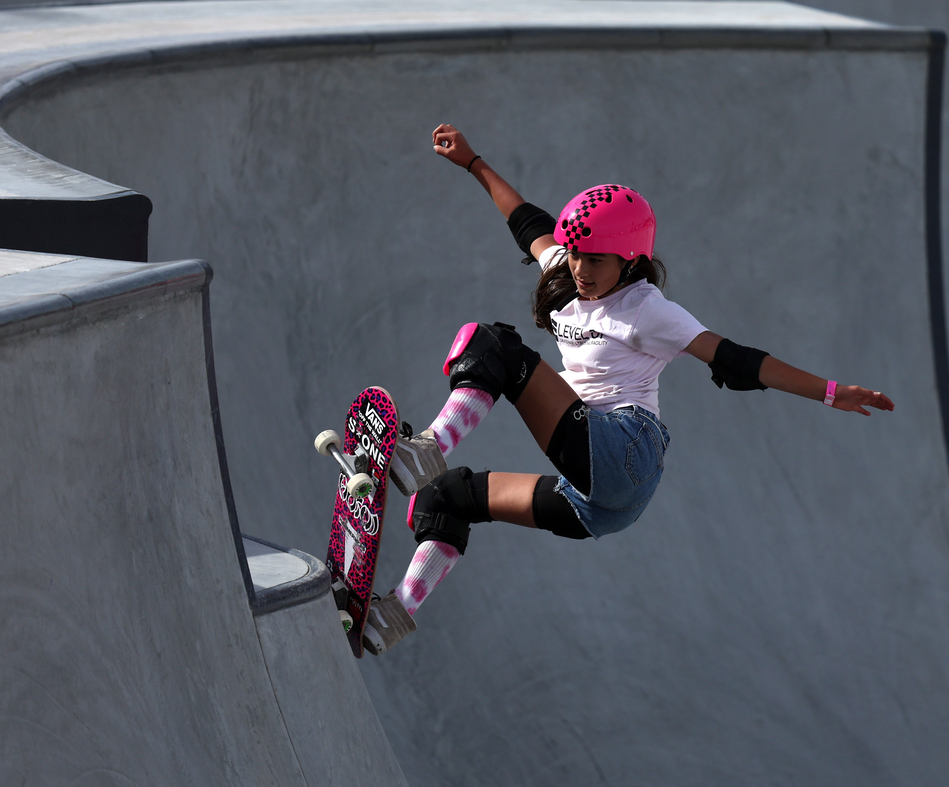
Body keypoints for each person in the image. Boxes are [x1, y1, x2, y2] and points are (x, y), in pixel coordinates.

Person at [359, 123, 895, 655]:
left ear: (630, 260)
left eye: (596, 261)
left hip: (622, 447)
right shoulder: (567, 273)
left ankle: (422, 450)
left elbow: (738, 359)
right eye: (576, 256)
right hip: (599, 500)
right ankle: (393, 618)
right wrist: (474, 162)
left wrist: (830, 392)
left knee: (492, 344)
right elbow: (525, 221)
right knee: (446, 498)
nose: (582, 269)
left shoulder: (647, 310)